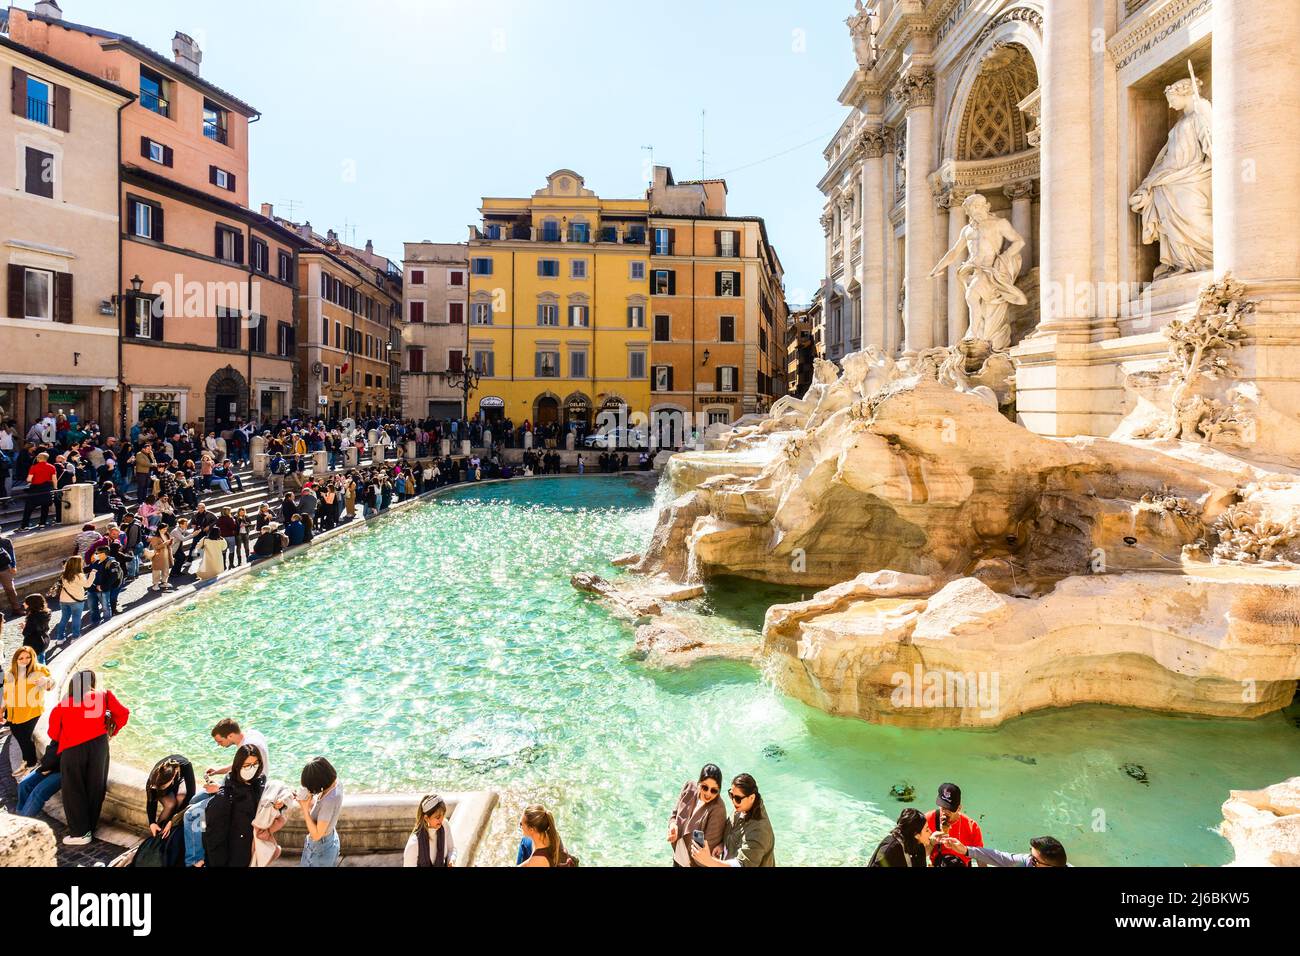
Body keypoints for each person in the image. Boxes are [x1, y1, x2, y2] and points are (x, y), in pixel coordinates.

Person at [46, 670, 129, 845]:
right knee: (95, 787)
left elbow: (53, 733)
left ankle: (80, 833)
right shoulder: (104, 696)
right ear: (92, 682)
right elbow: (123, 714)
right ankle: (90, 826)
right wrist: (112, 732)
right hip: (99, 746)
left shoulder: (63, 705)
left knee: (73, 789)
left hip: (73, 749)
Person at [691, 772, 775, 867]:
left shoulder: (759, 831)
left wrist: (709, 861)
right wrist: (723, 845)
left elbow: (741, 865)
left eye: (738, 798)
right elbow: (733, 831)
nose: (733, 801)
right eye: (731, 795)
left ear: (752, 798)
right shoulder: (742, 807)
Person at [202, 743, 265, 867]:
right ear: (238, 765)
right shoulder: (225, 796)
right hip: (233, 852)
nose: (251, 768)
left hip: (253, 845)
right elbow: (212, 834)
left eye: (255, 764)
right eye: (247, 765)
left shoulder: (259, 782)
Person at [1, 646, 54, 774]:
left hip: (31, 712)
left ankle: (30, 762)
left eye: (28, 657)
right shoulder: (9, 673)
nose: (25, 660)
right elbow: (6, 694)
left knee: (25, 738)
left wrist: (46, 681)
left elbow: (51, 685)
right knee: (17, 733)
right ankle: (29, 760)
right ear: (16, 659)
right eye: (21, 658)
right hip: (14, 713)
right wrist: (2, 709)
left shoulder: (40, 669)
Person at [667, 763, 728, 868]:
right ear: (699, 782)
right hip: (678, 857)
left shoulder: (718, 809)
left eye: (714, 790)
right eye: (705, 787)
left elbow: (707, 853)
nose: (708, 793)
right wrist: (673, 826)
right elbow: (674, 815)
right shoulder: (689, 787)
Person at [145, 755, 196, 866]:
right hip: (164, 781)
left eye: (162, 787)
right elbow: (151, 801)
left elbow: (191, 794)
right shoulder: (154, 780)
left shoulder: (186, 766)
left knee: (180, 799)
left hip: (179, 780)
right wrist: (152, 823)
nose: (159, 789)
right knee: (170, 804)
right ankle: (157, 840)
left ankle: (171, 835)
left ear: (172, 777)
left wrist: (172, 820)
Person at [298, 756, 343, 867]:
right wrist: (309, 801)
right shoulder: (336, 784)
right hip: (329, 841)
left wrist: (304, 808)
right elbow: (323, 810)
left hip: (320, 850)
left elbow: (317, 835)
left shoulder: (329, 801)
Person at [925, 782, 983, 867]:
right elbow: (919, 854)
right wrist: (931, 843)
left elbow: (980, 857)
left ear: (959, 808)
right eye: (943, 807)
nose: (944, 812)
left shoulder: (972, 827)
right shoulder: (927, 820)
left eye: (949, 809)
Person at [940, 835, 1070, 868]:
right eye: (1030, 853)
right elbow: (1000, 857)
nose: (1029, 859)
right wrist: (966, 850)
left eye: (1035, 860)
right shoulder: (1028, 861)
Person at [403, 792, 457, 867]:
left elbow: (451, 849)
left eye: (443, 815)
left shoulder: (445, 825)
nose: (441, 820)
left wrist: (451, 860)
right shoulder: (414, 844)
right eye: (437, 817)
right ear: (426, 818)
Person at [868, 807, 933, 868]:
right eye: (927, 830)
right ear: (916, 835)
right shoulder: (891, 848)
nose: (930, 832)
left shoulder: (919, 846)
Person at [52, 556, 92, 647]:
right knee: (76, 618)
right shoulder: (79, 575)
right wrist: (93, 574)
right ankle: (75, 637)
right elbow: (88, 585)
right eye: (81, 562)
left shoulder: (64, 574)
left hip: (63, 600)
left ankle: (60, 638)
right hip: (76, 600)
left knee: (64, 618)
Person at [21, 595, 51, 664]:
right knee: (42, 660)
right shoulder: (46, 613)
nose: (23, 604)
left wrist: (24, 627)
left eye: (26, 602)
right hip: (44, 640)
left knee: (33, 663)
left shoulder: (32, 617)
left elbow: (26, 632)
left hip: (34, 643)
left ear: (31, 604)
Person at [146, 524, 174, 591]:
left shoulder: (167, 535)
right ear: (159, 529)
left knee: (166, 569)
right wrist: (164, 544)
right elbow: (155, 547)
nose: (165, 530)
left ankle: (164, 582)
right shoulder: (155, 537)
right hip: (158, 555)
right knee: (156, 570)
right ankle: (155, 584)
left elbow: (169, 544)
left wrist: (170, 542)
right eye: (163, 529)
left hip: (167, 554)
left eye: (166, 529)